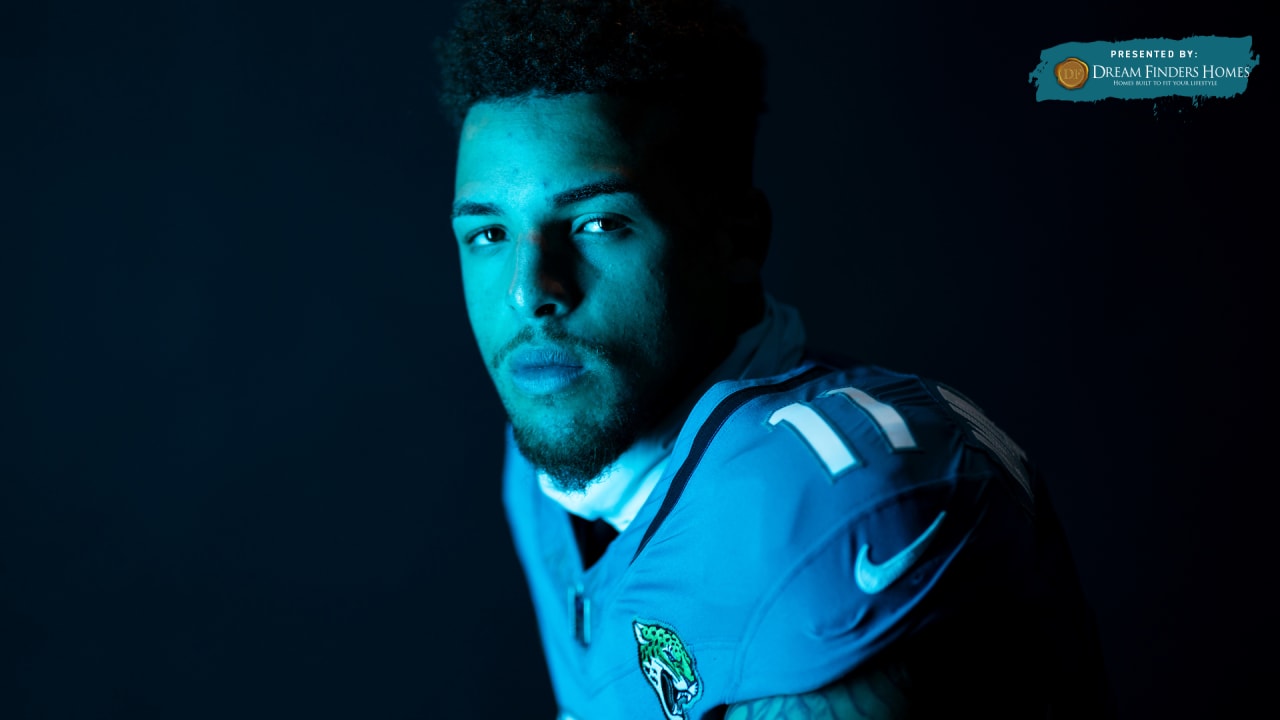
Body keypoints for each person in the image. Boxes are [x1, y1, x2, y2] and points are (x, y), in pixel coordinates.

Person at [436, 1, 1111, 718]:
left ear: (736, 240)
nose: (529, 292)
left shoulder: (829, 504)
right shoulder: (554, 463)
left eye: (600, 224)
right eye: (487, 234)